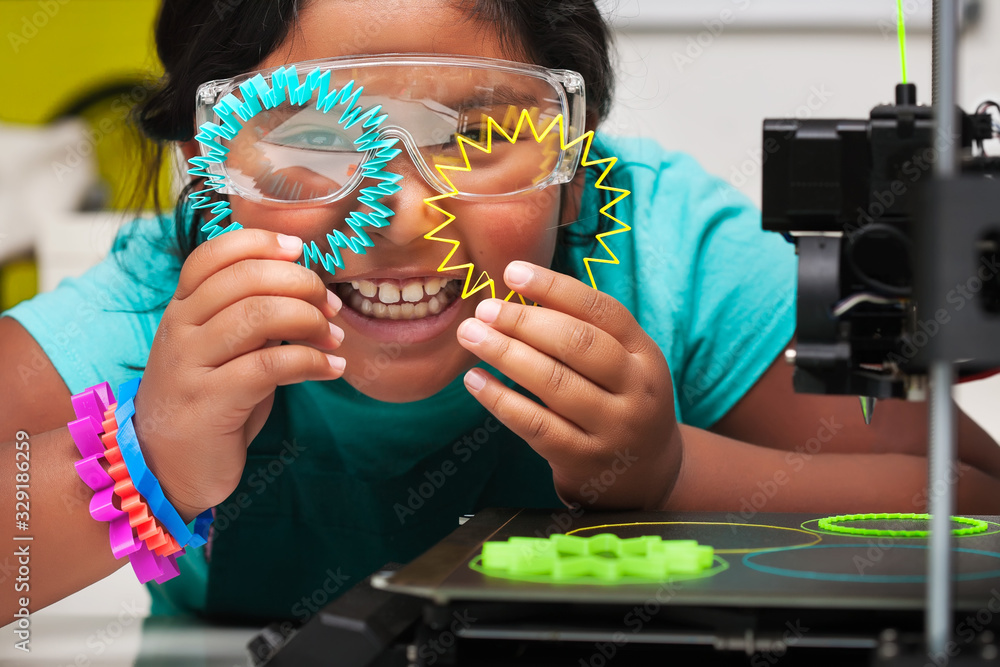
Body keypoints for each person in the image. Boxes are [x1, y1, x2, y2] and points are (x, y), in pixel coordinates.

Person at [3, 0, 1000, 624]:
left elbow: (977, 503)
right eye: (310, 135)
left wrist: (672, 472)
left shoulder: (666, 253)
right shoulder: (167, 304)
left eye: (474, 132)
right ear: (207, 170)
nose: (404, 216)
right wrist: (149, 456)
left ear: (574, 160)